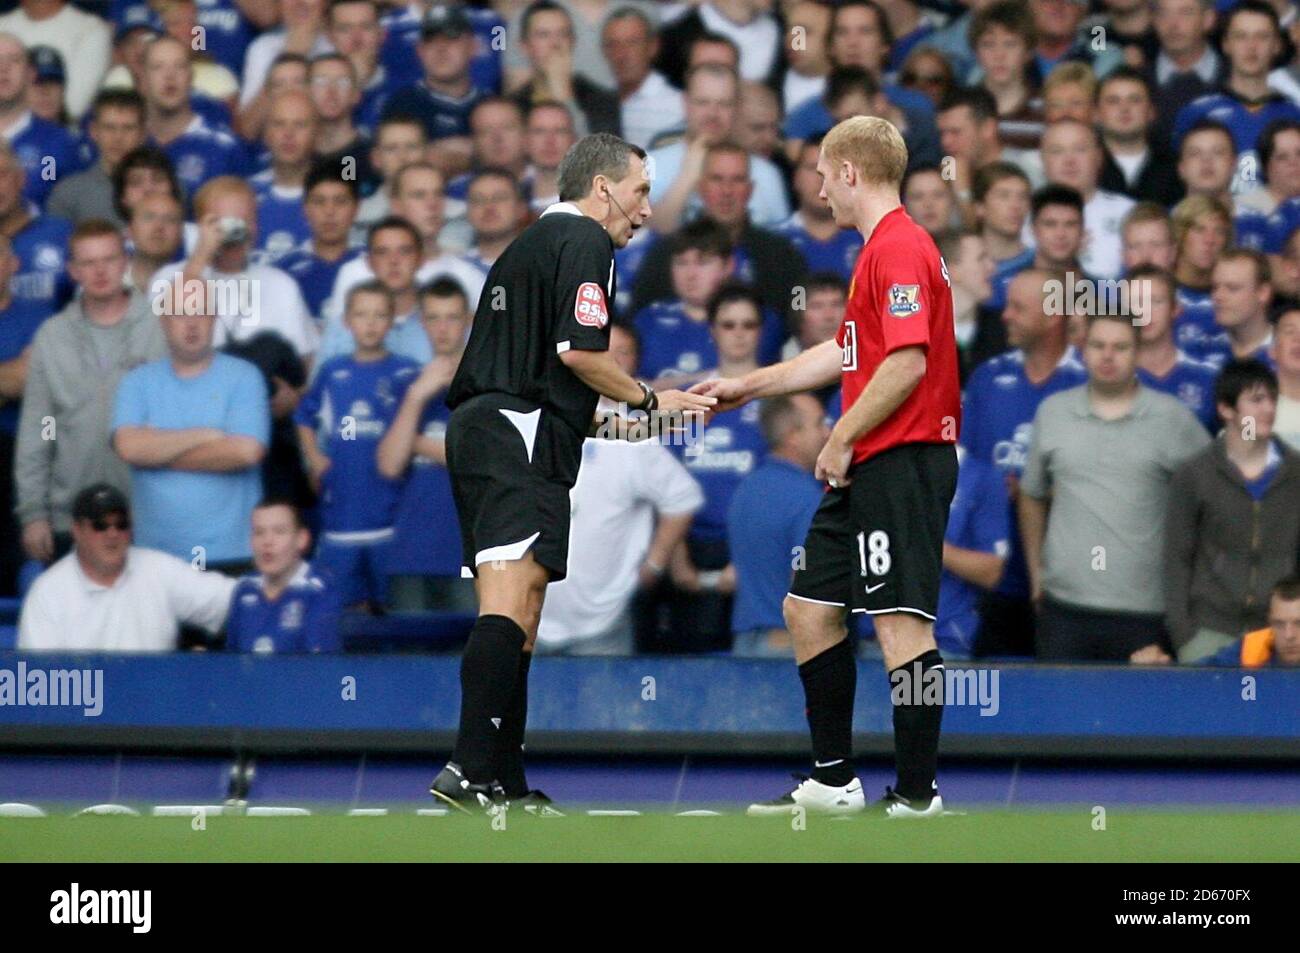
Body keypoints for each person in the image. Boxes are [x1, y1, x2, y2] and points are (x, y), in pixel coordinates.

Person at [429, 133, 713, 813]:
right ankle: (468, 770)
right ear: (603, 187)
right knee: (510, 599)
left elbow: (551, 382)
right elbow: (580, 354)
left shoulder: (534, 246)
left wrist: (638, 422)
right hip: (512, 436)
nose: (646, 211)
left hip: (506, 430)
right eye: (642, 191)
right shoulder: (584, 241)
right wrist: (649, 395)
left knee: (522, 611)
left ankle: (503, 780)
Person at [697, 116, 961, 818]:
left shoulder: (899, 247)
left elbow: (909, 361)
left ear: (850, 172)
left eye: (821, 172)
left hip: (901, 457)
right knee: (807, 608)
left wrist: (840, 434)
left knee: (903, 623)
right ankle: (835, 779)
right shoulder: (878, 253)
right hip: (874, 457)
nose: (816, 185)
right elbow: (844, 356)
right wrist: (746, 385)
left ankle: (917, 793)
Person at [1019, 312, 1210, 661]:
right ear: (1082, 351)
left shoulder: (1173, 418)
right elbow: (1031, 495)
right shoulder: (1052, 412)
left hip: (1145, 611)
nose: (1108, 356)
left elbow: (1213, 495)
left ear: (1138, 353)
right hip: (1063, 607)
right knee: (1062, 714)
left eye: (1120, 347)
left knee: (1139, 717)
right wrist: (1036, 573)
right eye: (1098, 345)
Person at [536, 323, 704, 656]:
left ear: (636, 363)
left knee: (606, 709)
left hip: (602, 620)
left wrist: (653, 566)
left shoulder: (636, 437)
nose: (612, 359)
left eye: (623, 351)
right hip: (533, 613)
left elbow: (683, 498)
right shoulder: (542, 420)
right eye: (603, 350)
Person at [15, 222, 165, 578]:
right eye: (89, 262)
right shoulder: (51, 338)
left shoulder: (160, 328)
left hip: (149, 514)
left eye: (109, 259)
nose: (100, 271)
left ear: (126, 261)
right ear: (72, 270)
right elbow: (42, 428)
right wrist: (34, 512)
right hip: (73, 517)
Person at [960, 267, 1087, 658]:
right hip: (992, 585)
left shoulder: (1088, 383)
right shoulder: (987, 379)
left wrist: (1038, 490)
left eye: (1017, 307)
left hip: (1071, 585)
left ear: (1052, 316)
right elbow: (964, 469)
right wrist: (994, 492)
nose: (1005, 316)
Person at [112, 272, 270, 574]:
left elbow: (246, 453)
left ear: (214, 319)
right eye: (181, 313)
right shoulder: (136, 382)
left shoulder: (245, 376)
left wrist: (156, 452)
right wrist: (206, 435)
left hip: (234, 551)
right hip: (155, 555)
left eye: (200, 312)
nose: (192, 323)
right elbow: (129, 449)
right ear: (164, 321)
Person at [1165, 360, 1300, 661]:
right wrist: (1183, 634)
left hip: (1276, 635)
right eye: (1256, 400)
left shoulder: (1296, 474)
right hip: (1208, 631)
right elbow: (1176, 558)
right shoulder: (1194, 474)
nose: (1268, 409)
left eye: (1272, 399)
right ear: (1226, 409)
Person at [295, 280, 418, 609]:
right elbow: (302, 416)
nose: (371, 323)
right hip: (342, 519)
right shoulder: (333, 372)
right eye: (362, 314)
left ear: (392, 322)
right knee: (342, 618)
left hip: (392, 520)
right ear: (347, 321)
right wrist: (315, 458)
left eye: (380, 315)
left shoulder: (407, 372)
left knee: (392, 615)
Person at [17, 483, 235, 651]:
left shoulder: (159, 569)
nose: (112, 534)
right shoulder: (48, 591)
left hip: (154, 703)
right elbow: (40, 681)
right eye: (100, 526)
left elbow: (235, 598)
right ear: (77, 530)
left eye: (121, 525)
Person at [376, 277, 473, 611]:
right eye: (433, 318)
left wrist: (413, 442)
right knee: (407, 660)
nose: (443, 328)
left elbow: (484, 458)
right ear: (421, 323)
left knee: (471, 660)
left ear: (469, 320)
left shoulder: (491, 384)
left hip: (471, 555)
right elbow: (389, 464)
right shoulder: (406, 384)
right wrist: (418, 396)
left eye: (452, 317)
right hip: (409, 552)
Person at [727, 393, 827, 658]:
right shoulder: (808, 499)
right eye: (819, 424)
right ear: (793, 436)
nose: (827, 433)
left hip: (745, 643)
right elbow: (805, 583)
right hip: (788, 648)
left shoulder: (746, 490)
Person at [226, 498, 342, 653]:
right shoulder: (244, 588)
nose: (267, 541)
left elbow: (319, 665)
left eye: (279, 531)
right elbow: (232, 659)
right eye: (259, 532)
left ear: (302, 539)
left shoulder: (320, 590)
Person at [1129, 264, 1219, 430]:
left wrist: (1249, 443)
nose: (1145, 311)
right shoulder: (1110, 376)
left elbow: (1247, 426)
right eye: (1136, 302)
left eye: (1156, 301)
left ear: (1176, 309)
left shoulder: (1209, 375)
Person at [47, 89, 147, 227]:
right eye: (109, 128)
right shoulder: (68, 193)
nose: (118, 137)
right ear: (94, 131)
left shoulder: (165, 190)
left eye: (128, 128)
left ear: (143, 134)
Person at [1200, 576, 1300, 666]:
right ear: (1270, 622)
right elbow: (1193, 677)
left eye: (1298, 623)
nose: (1289, 635)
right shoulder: (1250, 649)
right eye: (1279, 624)